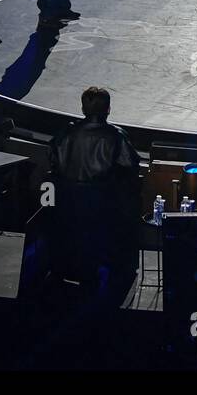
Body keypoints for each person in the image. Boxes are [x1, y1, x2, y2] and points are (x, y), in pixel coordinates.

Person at [50, 87, 141, 287]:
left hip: (67, 196)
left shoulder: (67, 132)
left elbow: (53, 159)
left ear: (83, 108)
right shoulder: (115, 135)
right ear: (108, 109)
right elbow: (131, 165)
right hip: (100, 198)